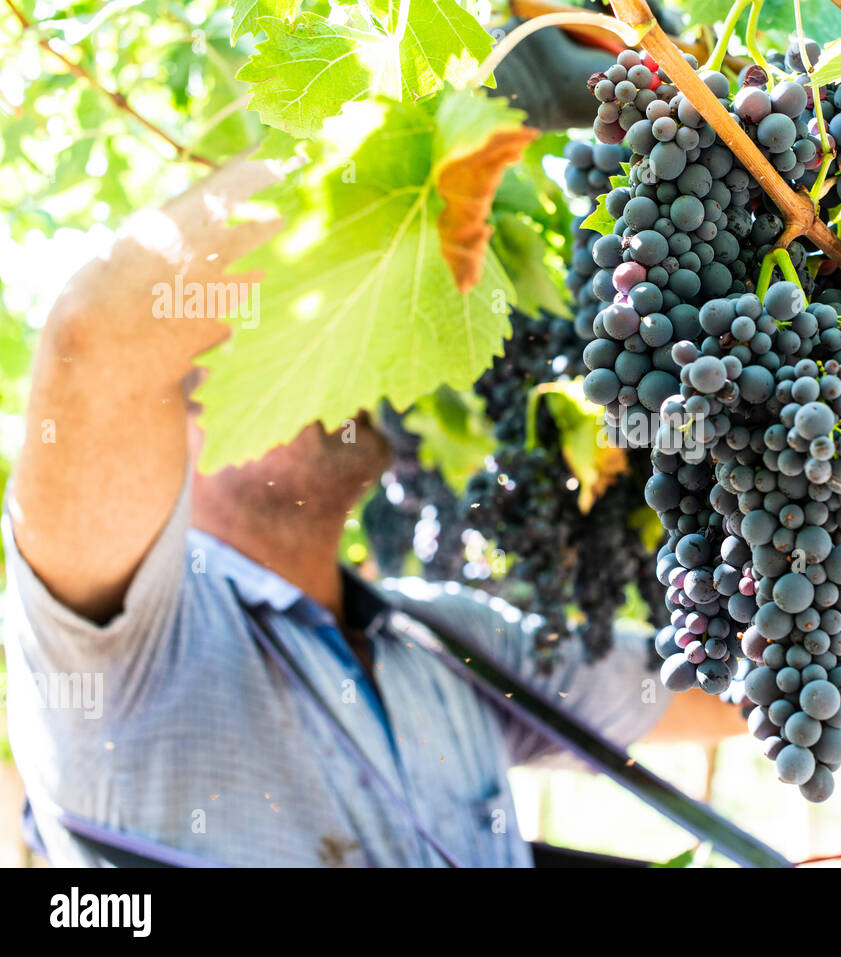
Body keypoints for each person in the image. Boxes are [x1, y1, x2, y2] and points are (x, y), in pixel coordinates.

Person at [2, 152, 741, 867]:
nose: (339, 357)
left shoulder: (451, 641)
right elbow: (98, 334)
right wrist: (435, 133)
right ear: (175, 424)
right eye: (281, 341)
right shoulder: (120, 655)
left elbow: (716, 693)